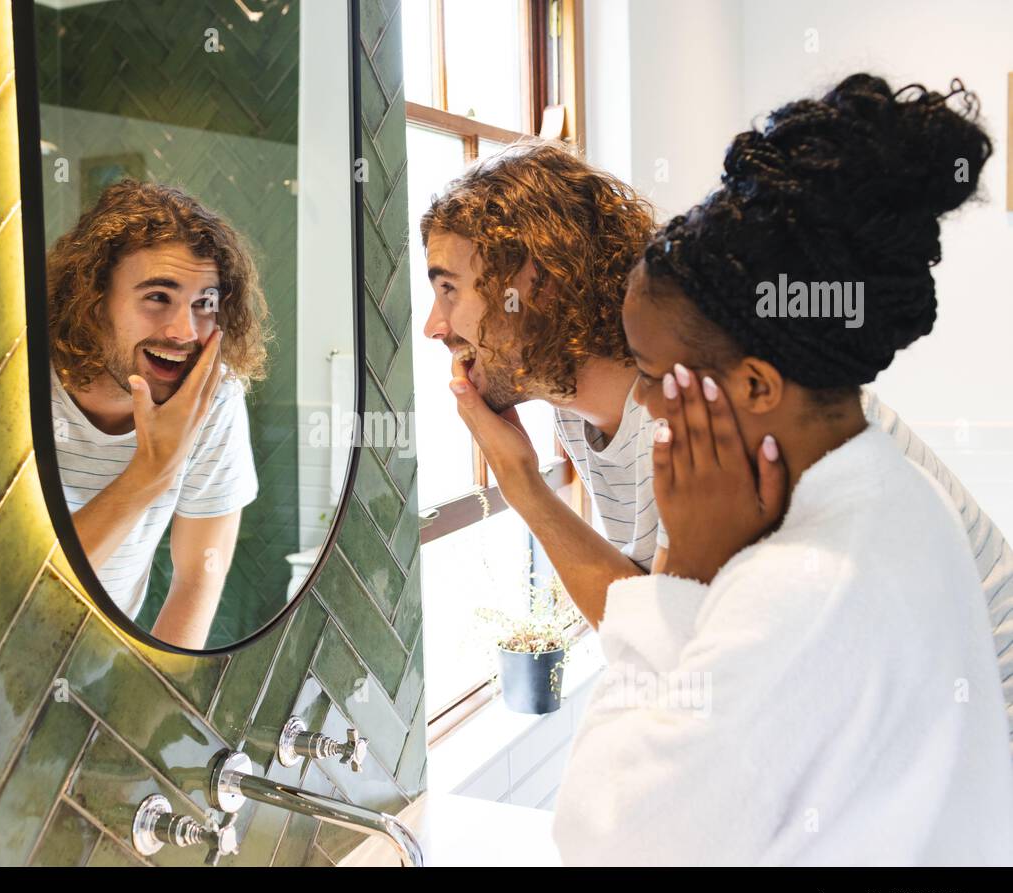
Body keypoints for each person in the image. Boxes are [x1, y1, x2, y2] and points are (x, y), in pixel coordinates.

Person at [421, 138, 1013, 757]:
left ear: (532, 283)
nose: (435, 326)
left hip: (977, 730)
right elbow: (658, 606)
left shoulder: (704, 402)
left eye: (449, 289)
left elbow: (674, 660)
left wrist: (525, 490)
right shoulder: (581, 410)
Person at [551, 74, 1013, 864]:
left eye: (652, 372)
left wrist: (685, 576)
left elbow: (602, 839)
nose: (645, 402)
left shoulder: (806, 587)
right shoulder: (895, 499)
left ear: (758, 384)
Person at [46, 181, 267, 649]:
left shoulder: (212, 394)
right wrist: (151, 471)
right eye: (158, 297)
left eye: (204, 303)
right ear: (93, 300)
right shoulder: (22, 381)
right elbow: (21, 589)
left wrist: (156, 701)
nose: (184, 331)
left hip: (96, 663)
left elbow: (197, 579)